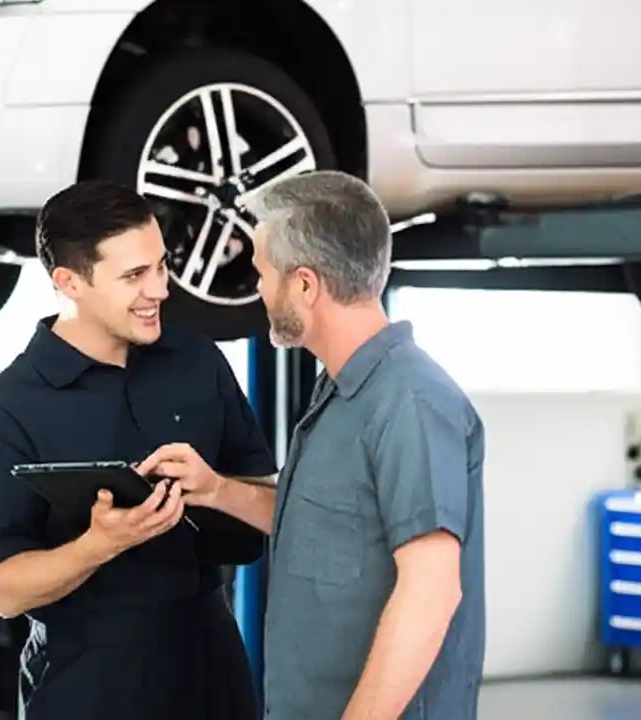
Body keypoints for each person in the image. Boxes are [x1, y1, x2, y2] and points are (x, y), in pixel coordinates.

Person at [138, 170, 486, 720]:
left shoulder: (410, 401)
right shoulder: (340, 390)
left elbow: (432, 590)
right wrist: (217, 489)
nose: (258, 289)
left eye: (262, 274)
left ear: (305, 285)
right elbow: (328, 526)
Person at [0, 179, 278, 720]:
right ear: (69, 283)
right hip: (87, 683)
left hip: (211, 669)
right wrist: (100, 544)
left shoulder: (198, 361)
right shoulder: (7, 408)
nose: (160, 289)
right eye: (134, 276)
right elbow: (4, 590)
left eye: (160, 265)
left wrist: (219, 489)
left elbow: (275, 507)